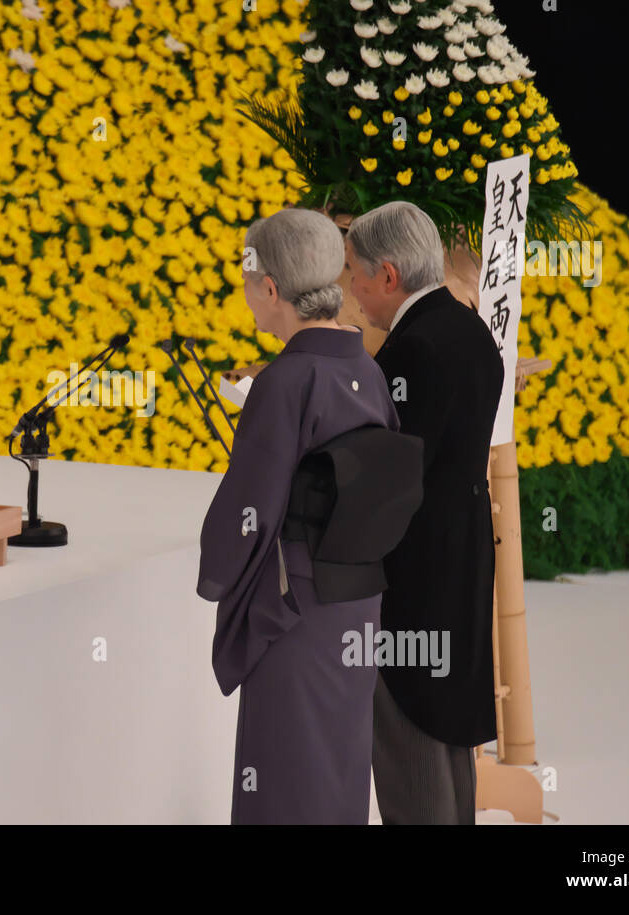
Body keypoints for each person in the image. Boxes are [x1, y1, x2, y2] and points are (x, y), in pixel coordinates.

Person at [196, 208, 401, 824]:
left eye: (247, 279)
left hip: (296, 611)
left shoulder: (287, 379)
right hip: (357, 604)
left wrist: (218, 572)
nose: (245, 294)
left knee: (285, 769)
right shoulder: (363, 367)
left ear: (272, 288)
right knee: (335, 762)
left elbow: (249, 511)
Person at [345, 200, 504, 825]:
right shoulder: (470, 330)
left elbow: (387, 477)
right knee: (448, 742)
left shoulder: (413, 350)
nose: (352, 291)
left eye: (355, 273)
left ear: (387, 275)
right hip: (462, 552)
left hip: (414, 572)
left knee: (409, 736)